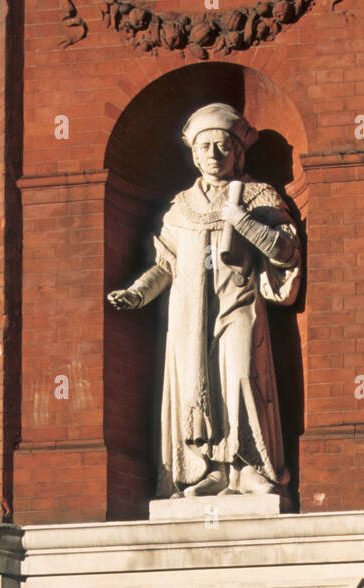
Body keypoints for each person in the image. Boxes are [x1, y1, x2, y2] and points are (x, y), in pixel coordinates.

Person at [108, 103, 301, 498]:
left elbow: (287, 252)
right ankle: (210, 468)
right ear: (193, 155)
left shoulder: (258, 194)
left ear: (238, 152)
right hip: (190, 313)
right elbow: (166, 264)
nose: (213, 154)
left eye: (221, 146)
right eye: (204, 147)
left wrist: (243, 219)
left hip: (238, 302)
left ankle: (248, 468)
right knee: (198, 384)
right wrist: (137, 293)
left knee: (243, 376)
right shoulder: (182, 206)